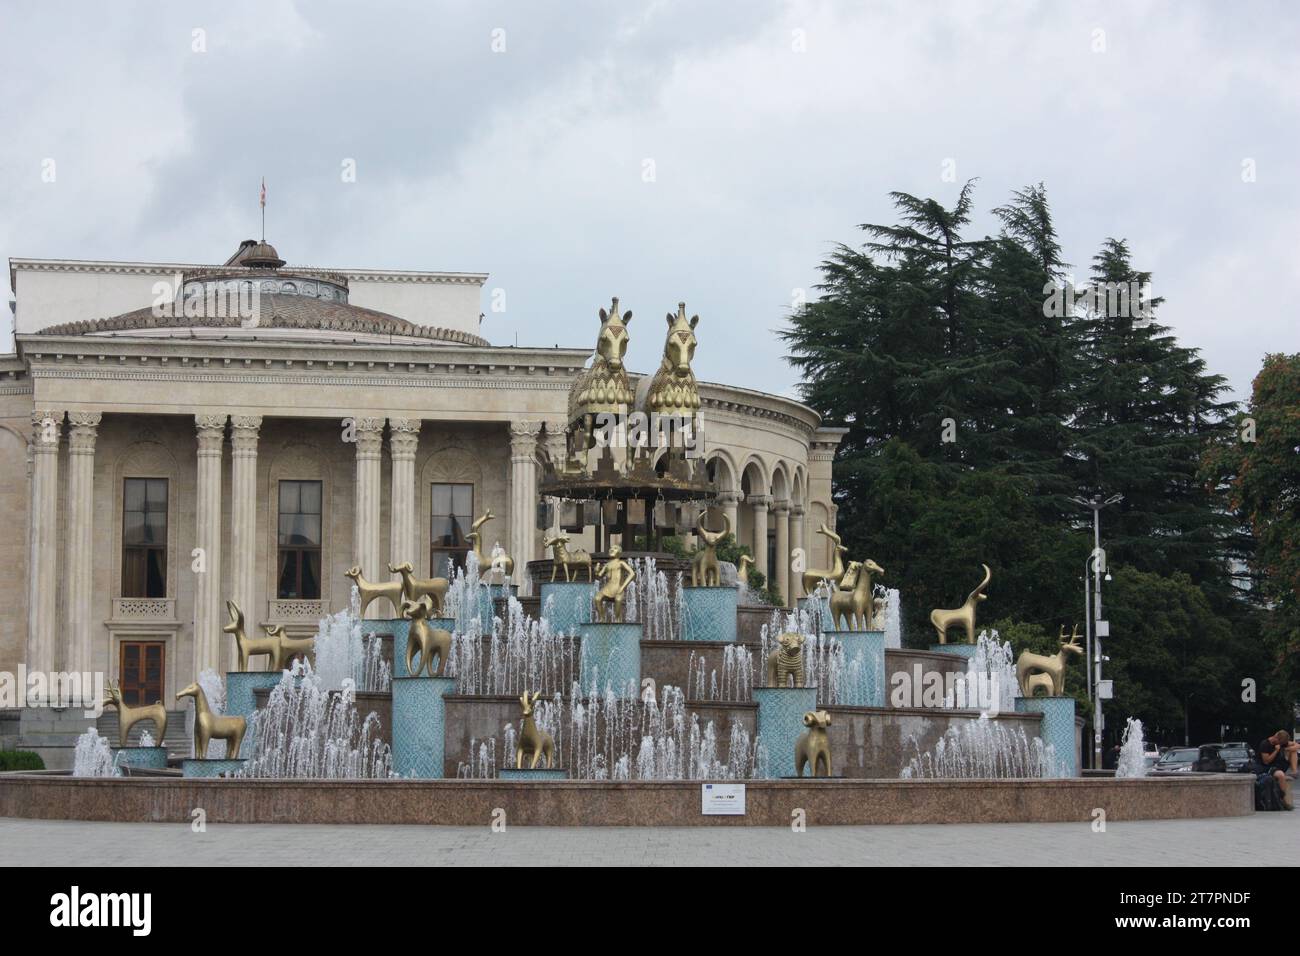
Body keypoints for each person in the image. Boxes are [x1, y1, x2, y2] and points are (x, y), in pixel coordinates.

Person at [1254, 730, 1298, 810]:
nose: (1280, 744)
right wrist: (1276, 750)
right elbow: (1266, 761)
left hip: (1277, 765)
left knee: (1293, 750)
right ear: (1276, 738)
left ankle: (1294, 771)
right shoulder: (1265, 744)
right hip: (1265, 768)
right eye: (1280, 743)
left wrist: (1287, 749)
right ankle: (1283, 800)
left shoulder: (1281, 742)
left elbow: (1297, 745)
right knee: (1281, 775)